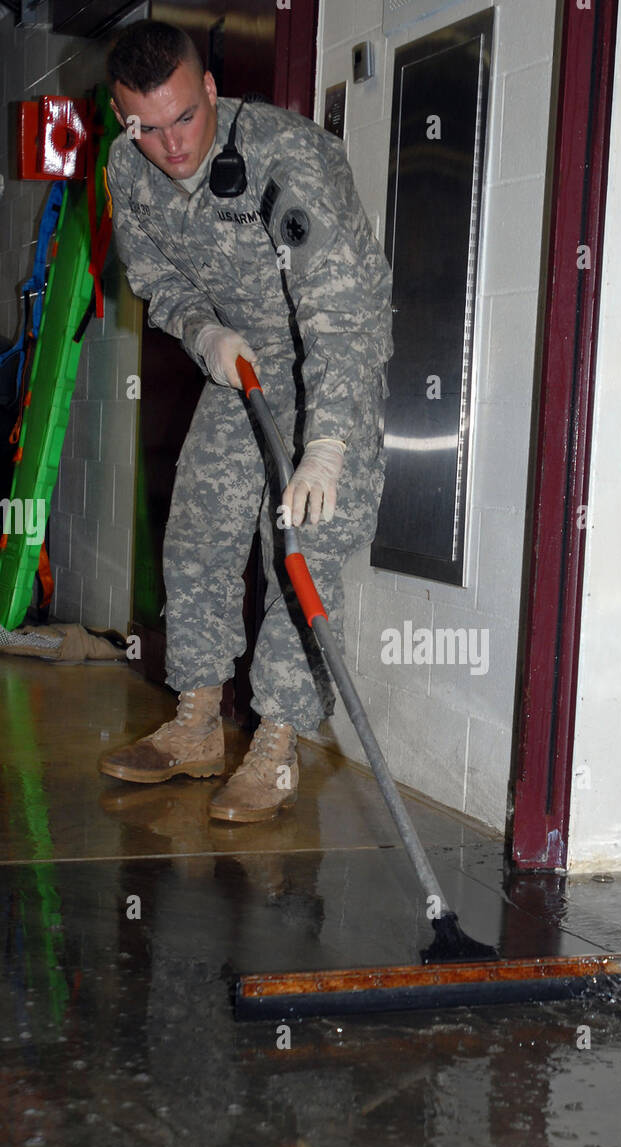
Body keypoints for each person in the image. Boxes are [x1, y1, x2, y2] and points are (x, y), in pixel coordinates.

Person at [98, 20, 393, 821]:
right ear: (127, 120)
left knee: (300, 545)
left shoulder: (284, 156)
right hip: (246, 367)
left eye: (185, 118)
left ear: (212, 93)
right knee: (196, 533)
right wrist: (203, 332)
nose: (171, 144)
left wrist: (326, 446)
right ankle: (197, 722)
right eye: (147, 127)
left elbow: (343, 314)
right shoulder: (129, 169)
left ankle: (275, 743)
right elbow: (158, 277)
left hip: (331, 359)